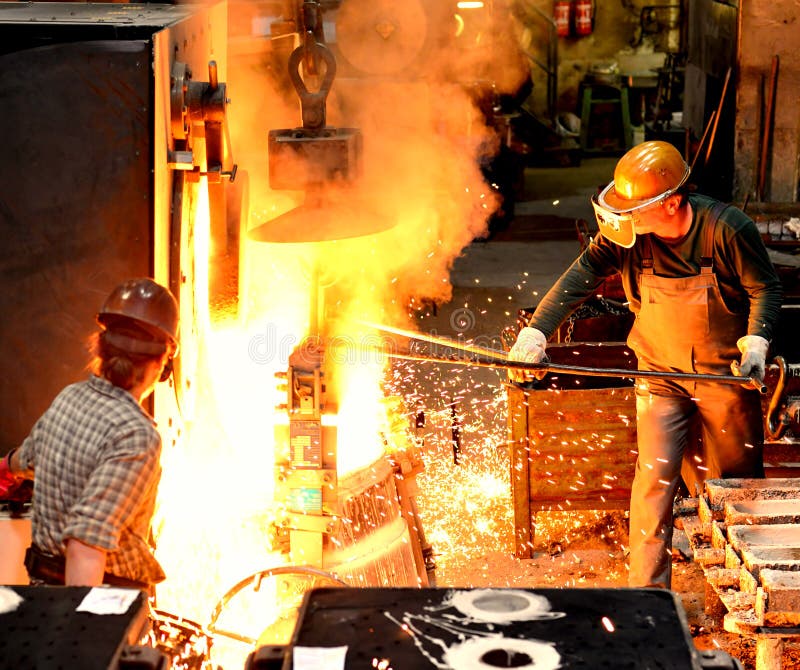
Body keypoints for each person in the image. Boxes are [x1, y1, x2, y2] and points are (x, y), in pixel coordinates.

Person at [509, 141, 782, 589]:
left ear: (672, 203)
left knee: (736, 490)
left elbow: (765, 288)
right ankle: (648, 595)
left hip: (724, 378)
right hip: (658, 375)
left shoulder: (727, 229)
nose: (624, 219)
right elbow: (581, 275)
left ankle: (743, 591)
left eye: (633, 210)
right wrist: (535, 333)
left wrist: (756, 343)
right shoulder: (628, 238)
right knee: (654, 483)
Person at [0, 278, 179, 591]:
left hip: (44, 591)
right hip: (101, 599)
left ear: (101, 348)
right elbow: (85, 542)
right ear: (162, 364)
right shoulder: (136, 436)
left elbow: (26, 459)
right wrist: (78, 620)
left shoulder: (69, 397)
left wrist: (5, 469)